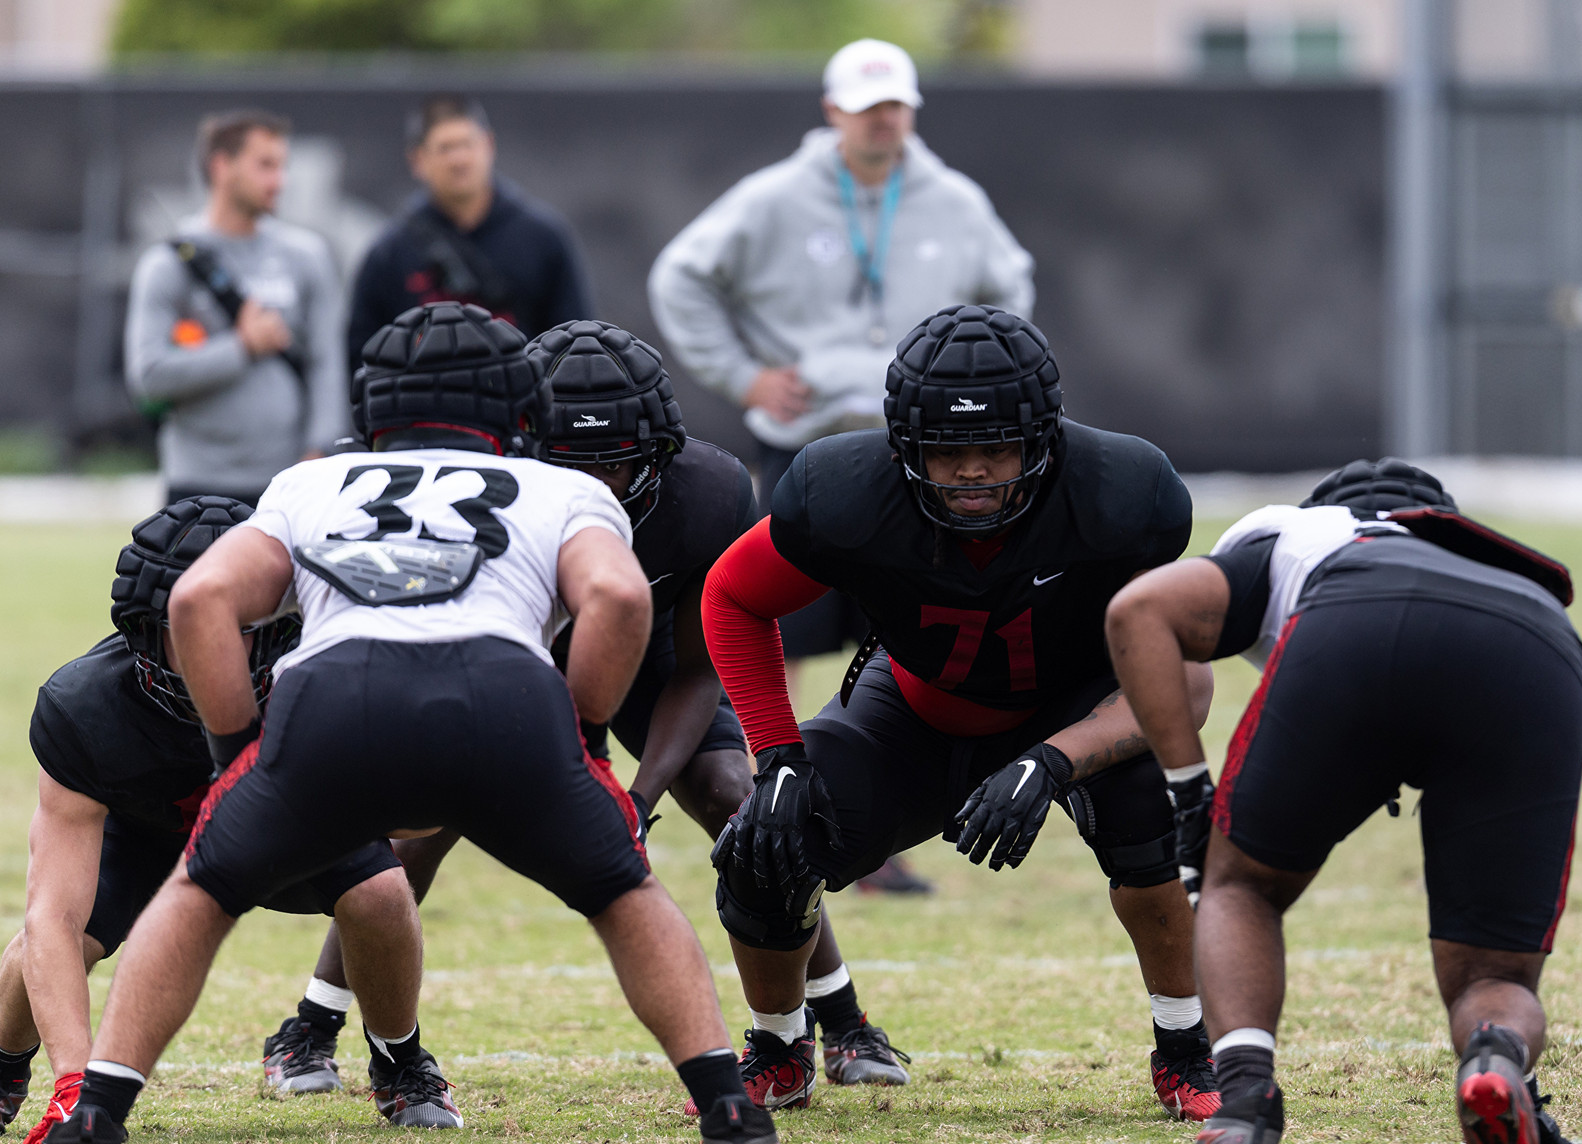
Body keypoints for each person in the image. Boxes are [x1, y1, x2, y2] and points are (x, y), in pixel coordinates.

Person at [32, 303, 791, 1144]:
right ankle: (727, 1114)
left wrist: (238, 751)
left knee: (200, 894)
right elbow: (620, 601)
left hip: (335, 706)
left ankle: (94, 1124)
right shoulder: (564, 491)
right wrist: (583, 738)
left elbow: (200, 602)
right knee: (625, 896)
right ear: (520, 413)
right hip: (503, 704)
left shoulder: (313, 484)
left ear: (373, 408)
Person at [255, 320, 908, 1099]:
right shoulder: (482, 481)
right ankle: (313, 1025)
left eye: (616, 467)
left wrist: (632, 797)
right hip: (499, 647)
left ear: (662, 451)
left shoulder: (709, 491)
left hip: (650, 653)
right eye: (575, 466)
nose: (596, 489)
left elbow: (700, 674)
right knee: (424, 818)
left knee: (741, 795)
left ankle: (840, 1018)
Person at [701, 305, 1219, 1121]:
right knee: (765, 841)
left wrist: (1053, 760)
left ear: (1044, 441)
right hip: (912, 709)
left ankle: (1187, 1047)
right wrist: (778, 755)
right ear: (904, 448)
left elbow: (1184, 682)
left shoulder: (1123, 498)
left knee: (1152, 815)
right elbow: (733, 595)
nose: (973, 472)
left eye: (996, 449)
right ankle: (779, 1045)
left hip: (1073, 708)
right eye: (948, 453)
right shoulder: (844, 494)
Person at [1105, 459, 1582, 1144]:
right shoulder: (1483, 556)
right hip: (1533, 646)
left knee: (1242, 888)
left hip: (1355, 617)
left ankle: (1243, 1107)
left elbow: (1135, 612)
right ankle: (1495, 1062)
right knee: (1494, 972)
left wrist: (1189, 792)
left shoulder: (1299, 535)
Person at [650, 40, 1034, 895]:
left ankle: (869, 827)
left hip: (921, 452)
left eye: (894, 105)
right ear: (833, 112)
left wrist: (978, 387)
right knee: (776, 625)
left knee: (902, 632)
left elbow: (1013, 288)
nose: (882, 120)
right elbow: (682, 275)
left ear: (911, 110)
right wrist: (744, 374)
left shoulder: (952, 200)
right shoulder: (776, 197)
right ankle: (773, 795)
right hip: (814, 446)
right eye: (866, 108)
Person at [0, 498, 432, 1144]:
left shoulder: (319, 677)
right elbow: (52, 916)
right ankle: (6, 1067)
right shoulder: (83, 707)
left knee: (378, 892)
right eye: (190, 624)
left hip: (286, 822)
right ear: (144, 630)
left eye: (236, 624)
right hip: (151, 837)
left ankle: (399, 1058)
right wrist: (74, 1082)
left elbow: (417, 816)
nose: (213, 642)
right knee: (41, 946)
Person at [125, 109, 347, 505]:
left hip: (289, 483)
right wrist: (242, 347)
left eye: (282, 166)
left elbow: (327, 362)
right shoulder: (169, 264)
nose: (280, 181)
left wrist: (320, 451)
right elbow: (149, 376)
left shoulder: (307, 256)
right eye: (265, 165)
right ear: (222, 166)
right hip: (195, 483)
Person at [346, 96, 593, 367]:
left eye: (467, 144)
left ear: (489, 145)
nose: (459, 159)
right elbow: (363, 354)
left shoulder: (544, 238)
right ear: (417, 160)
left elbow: (574, 343)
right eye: (445, 148)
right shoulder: (390, 252)